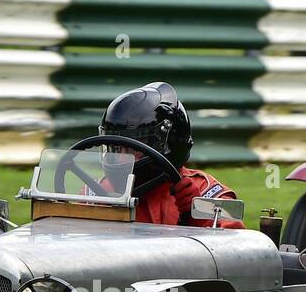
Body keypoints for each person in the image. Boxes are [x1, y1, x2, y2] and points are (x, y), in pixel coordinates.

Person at [99, 82, 244, 228]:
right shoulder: (97, 193)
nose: (120, 159)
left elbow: (236, 246)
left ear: (169, 145)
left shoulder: (207, 193)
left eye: (133, 150)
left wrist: (198, 213)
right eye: (116, 148)